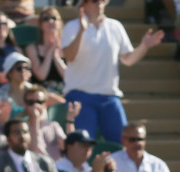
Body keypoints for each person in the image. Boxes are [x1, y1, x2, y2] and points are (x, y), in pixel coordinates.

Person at [62, 0, 164, 143]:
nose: (100, 3)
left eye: (103, 0)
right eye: (95, 1)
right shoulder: (72, 27)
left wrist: (144, 46)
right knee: (82, 145)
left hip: (109, 97)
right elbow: (69, 57)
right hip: (80, 96)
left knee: (125, 144)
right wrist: (81, 31)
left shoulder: (115, 26)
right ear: (84, 4)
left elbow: (128, 59)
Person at [110, 121, 174, 172]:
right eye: (132, 139)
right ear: (123, 141)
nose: (137, 143)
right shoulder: (111, 162)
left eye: (140, 139)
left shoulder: (159, 166)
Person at [26, 7, 67, 90]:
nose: (50, 21)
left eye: (54, 18)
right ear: (40, 25)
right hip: (41, 92)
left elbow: (68, 76)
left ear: (60, 23)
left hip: (64, 90)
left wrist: (56, 57)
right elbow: (41, 76)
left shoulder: (67, 46)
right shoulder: (32, 48)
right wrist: (50, 51)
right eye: (46, 19)